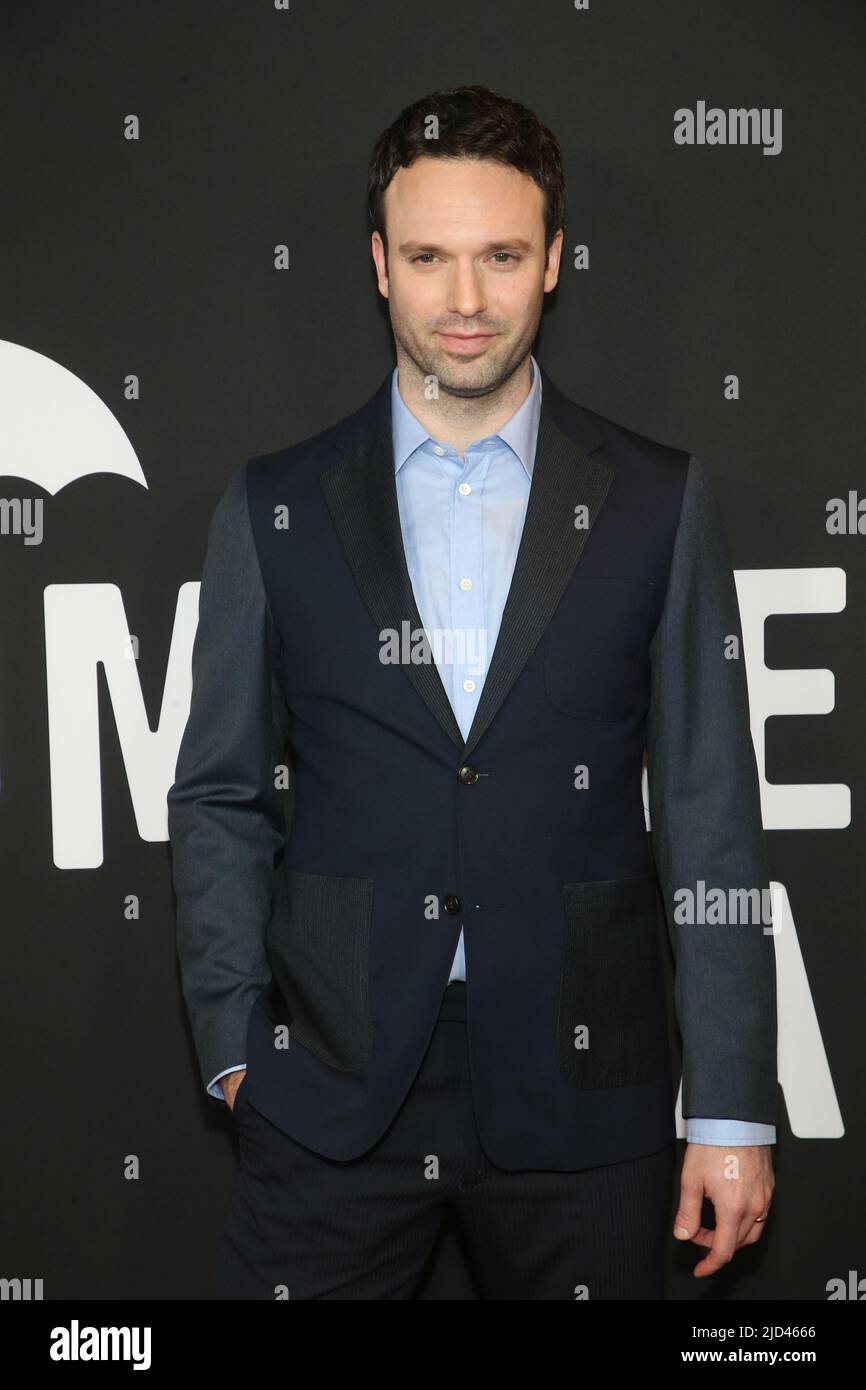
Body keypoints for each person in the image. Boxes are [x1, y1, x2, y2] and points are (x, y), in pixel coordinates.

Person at [167, 84, 777, 1300]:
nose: (464, 300)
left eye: (499, 255)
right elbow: (223, 792)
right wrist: (237, 1045)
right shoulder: (272, 505)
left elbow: (710, 809)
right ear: (378, 265)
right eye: (431, 257)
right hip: (331, 1087)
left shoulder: (657, 499)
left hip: (584, 1094)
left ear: (552, 261)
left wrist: (729, 1108)